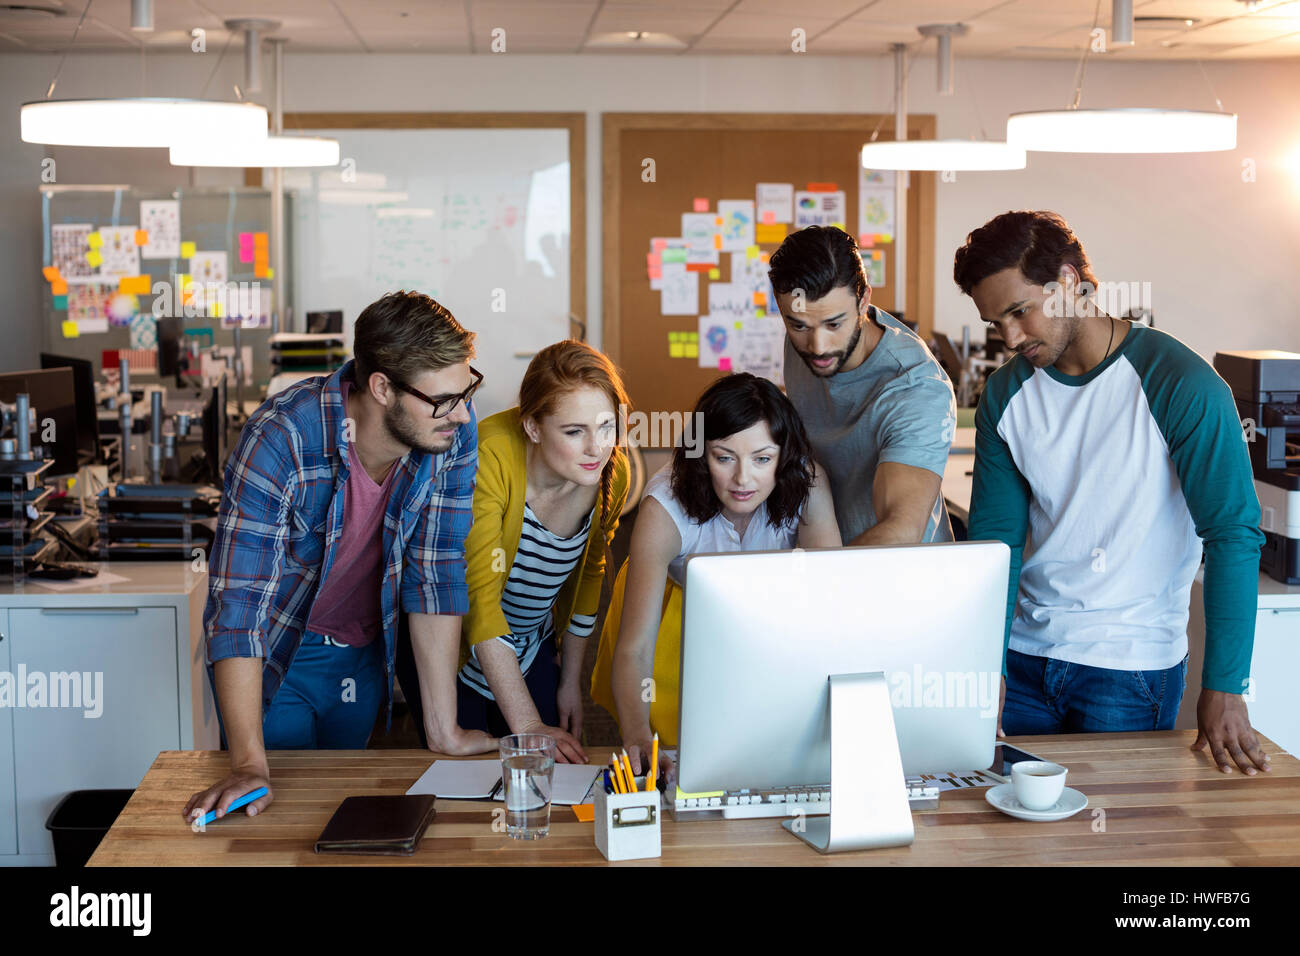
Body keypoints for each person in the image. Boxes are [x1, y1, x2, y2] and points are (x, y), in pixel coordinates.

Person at [956, 210, 1271, 775]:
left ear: (1070, 283)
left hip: (1128, 669)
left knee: (1112, 848)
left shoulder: (1180, 382)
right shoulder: (1006, 396)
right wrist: (985, 666)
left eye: (1019, 312)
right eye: (994, 322)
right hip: (1023, 662)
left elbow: (1232, 534)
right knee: (1010, 844)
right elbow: (996, 546)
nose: (1010, 337)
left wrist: (1226, 684)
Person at [184, 291, 497, 826]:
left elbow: (437, 572)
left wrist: (442, 728)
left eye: (467, 390)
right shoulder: (282, 437)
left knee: (339, 810)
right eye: (445, 399)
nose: (464, 413)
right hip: (280, 655)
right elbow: (239, 610)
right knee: (269, 820)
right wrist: (247, 763)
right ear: (380, 388)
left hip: (360, 658)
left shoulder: (451, 433)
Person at [591, 373, 841, 774]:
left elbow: (829, 605)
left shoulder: (806, 484)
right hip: (673, 616)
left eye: (763, 459)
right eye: (724, 457)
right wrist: (637, 735)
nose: (743, 479)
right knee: (683, 755)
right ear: (701, 454)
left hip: (766, 616)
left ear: (785, 455)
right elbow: (637, 647)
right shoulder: (664, 506)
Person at [450, 340, 630, 765]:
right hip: (458, 651)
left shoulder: (609, 472)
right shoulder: (488, 455)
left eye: (606, 426)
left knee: (549, 770)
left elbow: (590, 575)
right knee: (471, 782)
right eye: (574, 431)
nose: (596, 448)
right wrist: (528, 726)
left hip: (532, 645)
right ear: (532, 427)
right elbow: (480, 599)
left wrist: (570, 682)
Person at [769, 225, 957, 546]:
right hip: (830, 552)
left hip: (904, 575)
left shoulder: (915, 387)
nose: (818, 346)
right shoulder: (806, 336)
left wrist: (812, 583)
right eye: (798, 325)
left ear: (864, 300)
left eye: (834, 324)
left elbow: (901, 532)